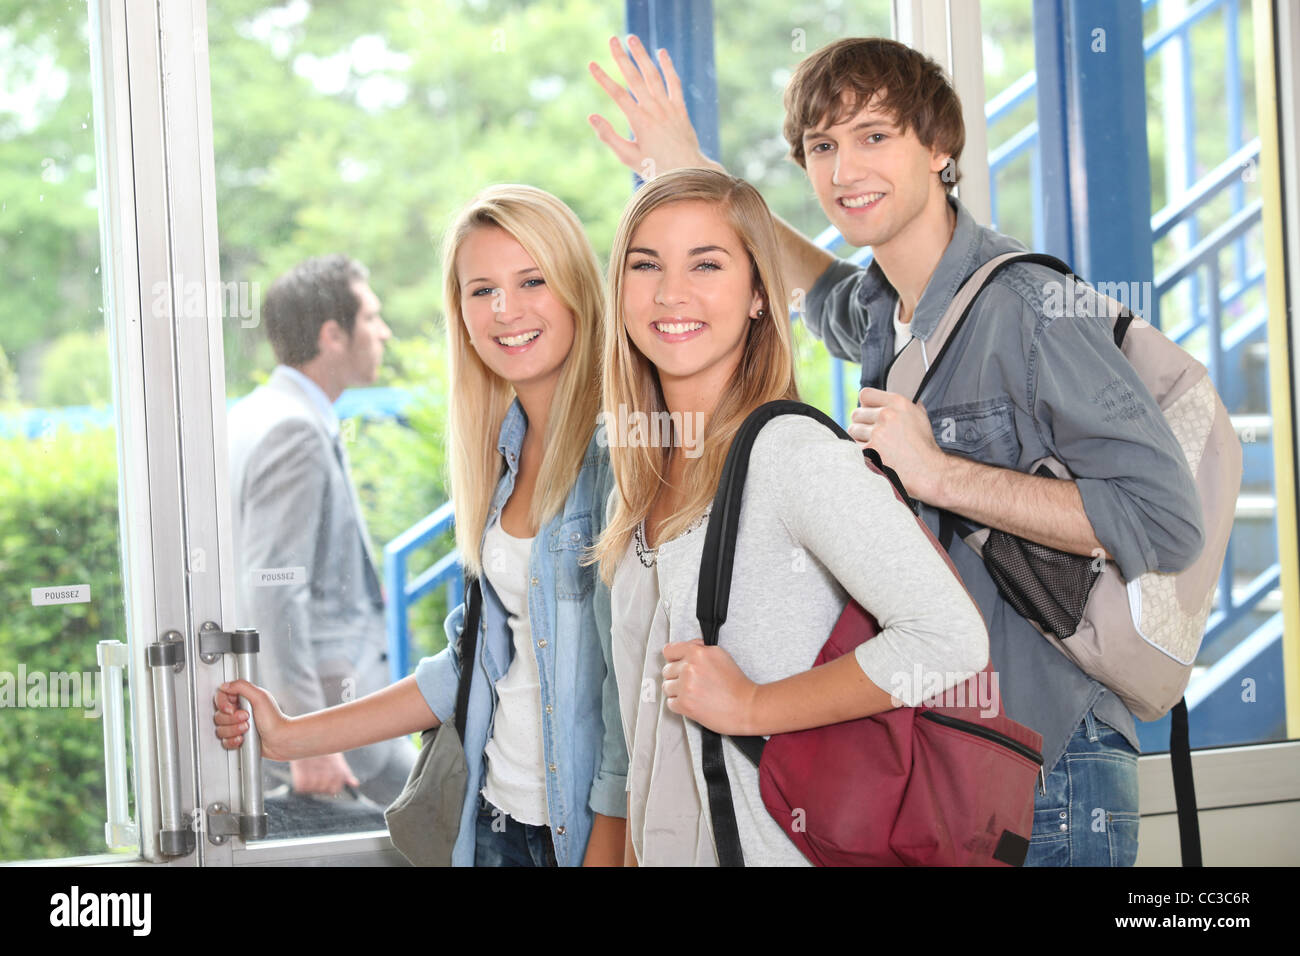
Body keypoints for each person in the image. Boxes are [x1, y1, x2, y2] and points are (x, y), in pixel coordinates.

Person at [588, 35, 1205, 866]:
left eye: (874, 136)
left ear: (940, 146)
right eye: (822, 147)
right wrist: (697, 174)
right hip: (948, 750)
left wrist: (941, 474)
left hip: (1048, 756)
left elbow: (1162, 521)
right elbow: (793, 284)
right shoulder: (885, 309)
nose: (846, 170)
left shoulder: (1027, 307)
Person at [216, 185, 628, 866]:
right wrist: (289, 734)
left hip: (580, 837)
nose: (505, 310)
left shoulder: (621, 452)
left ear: (578, 289)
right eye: (481, 290)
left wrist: (609, 849)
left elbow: (632, 690)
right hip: (493, 826)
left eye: (532, 281)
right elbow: (467, 667)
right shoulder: (499, 458)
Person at [592, 166, 988, 866]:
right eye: (645, 264)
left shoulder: (792, 455)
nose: (671, 292)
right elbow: (648, 744)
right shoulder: (638, 481)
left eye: (706, 264)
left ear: (757, 296)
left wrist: (753, 707)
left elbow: (950, 641)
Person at [227, 254, 413, 825]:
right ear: (333, 335)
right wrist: (304, 736)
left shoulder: (257, 413)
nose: (383, 332)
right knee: (456, 827)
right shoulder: (294, 430)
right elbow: (273, 589)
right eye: (371, 318)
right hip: (334, 727)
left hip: (331, 720)